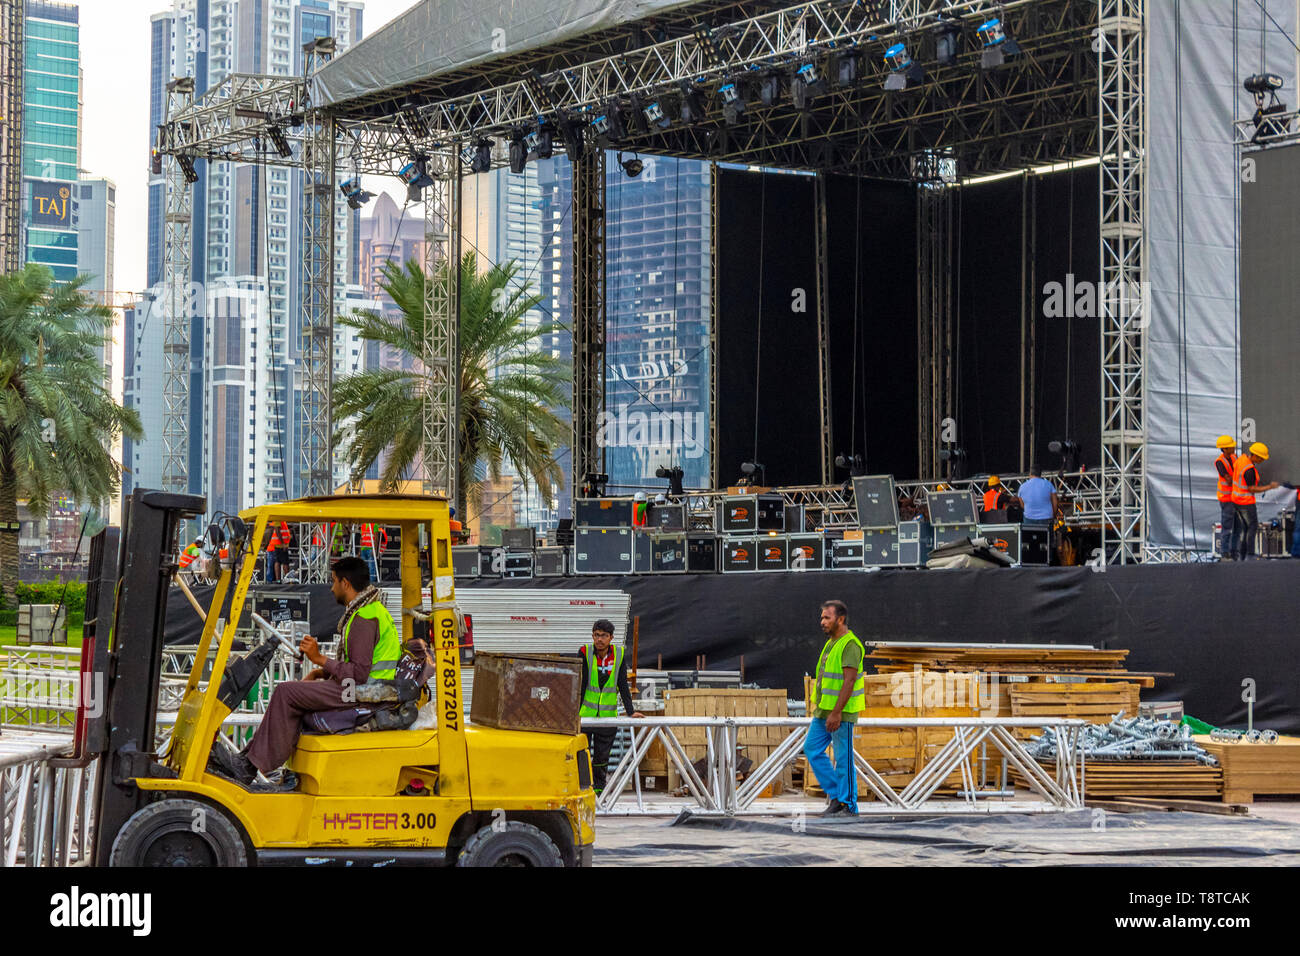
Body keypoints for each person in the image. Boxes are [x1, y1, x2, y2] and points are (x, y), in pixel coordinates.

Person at [214, 556, 402, 788]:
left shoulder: (364, 618)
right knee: (294, 692)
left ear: (346, 584)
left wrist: (319, 658)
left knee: (285, 692)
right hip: (364, 689)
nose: (332, 588)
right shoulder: (370, 610)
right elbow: (360, 664)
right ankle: (248, 759)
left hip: (362, 693)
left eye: (334, 582)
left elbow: (360, 673)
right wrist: (321, 672)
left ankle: (249, 767)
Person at [803, 600, 864, 816]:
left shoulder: (850, 645)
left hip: (841, 713)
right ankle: (837, 797)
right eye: (822, 617)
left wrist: (837, 712)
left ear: (841, 619)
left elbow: (849, 681)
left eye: (827, 617)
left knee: (843, 757)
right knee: (811, 748)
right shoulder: (831, 643)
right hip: (824, 711)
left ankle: (848, 804)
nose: (822, 621)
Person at [578, 619, 644, 794]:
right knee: (581, 755)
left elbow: (622, 683)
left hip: (607, 716)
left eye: (604, 636)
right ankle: (582, 790)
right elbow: (579, 683)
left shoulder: (619, 654)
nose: (600, 639)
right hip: (584, 715)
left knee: (601, 757)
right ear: (592, 635)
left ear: (611, 638)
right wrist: (573, 712)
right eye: (597, 635)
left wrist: (631, 711)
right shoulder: (585, 652)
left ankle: (599, 791)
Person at [1230, 442, 1280, 560]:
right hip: (1246, 503)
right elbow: (1251, 488)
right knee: (1252, 528)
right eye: (1261, 458)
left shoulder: (1241, 459)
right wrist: (1270, 487)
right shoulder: (1249, 469)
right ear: (1256, 456)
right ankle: (1249, 554)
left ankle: (1240, 555)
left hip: (1235, 501)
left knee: (1243, 529)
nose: (1262, 460)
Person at [1213, 435, 1238, 560]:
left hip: (1236, 498)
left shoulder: (1234, 457)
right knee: (1227, 527)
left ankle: (1234, 552)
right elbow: (1228, 480)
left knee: (1237, 527)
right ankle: (1224, 553)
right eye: (1231, 446)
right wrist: (1241, 482)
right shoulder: (1219, 462)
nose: (1234, 447)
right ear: (1225, 449)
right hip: (1226, 499)